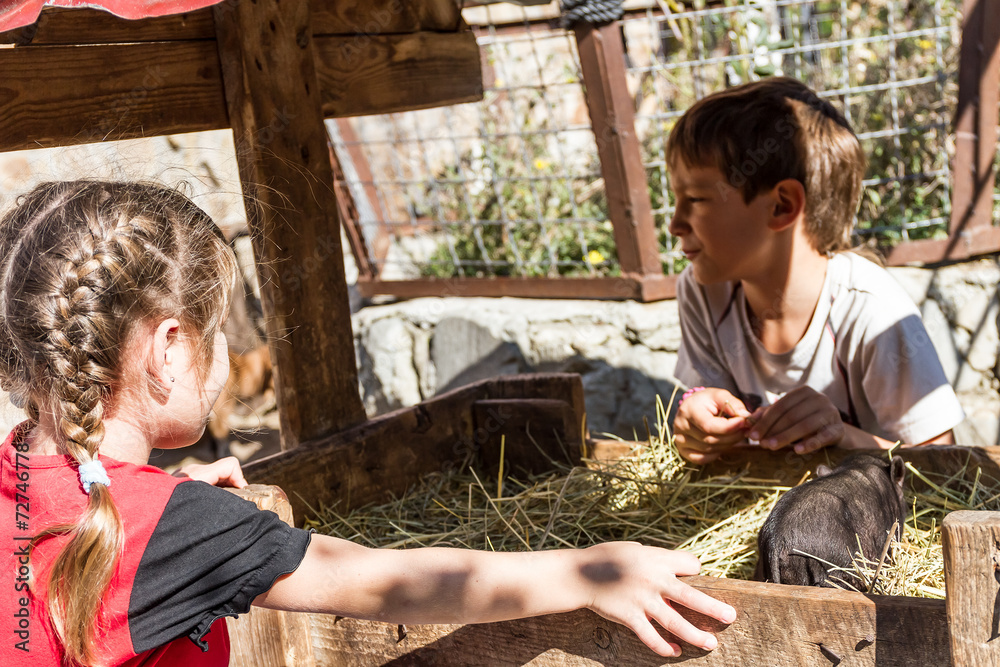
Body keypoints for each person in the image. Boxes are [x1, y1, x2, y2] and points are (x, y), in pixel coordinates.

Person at [0, 181, 736, 666]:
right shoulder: (177, 529)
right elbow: (384, 579)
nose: (230, 350)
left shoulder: (29, 473)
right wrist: (587, 570)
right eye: (219, 328)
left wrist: (162, 494)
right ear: (168, 349)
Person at [667, 77, 964, 465]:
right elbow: (710, 433)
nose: (674, 223)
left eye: (695, 199)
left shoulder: (872, 311)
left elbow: (945, 466)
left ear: (782, 206)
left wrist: (843, 438)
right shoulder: (703, 290)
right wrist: (696, 424)